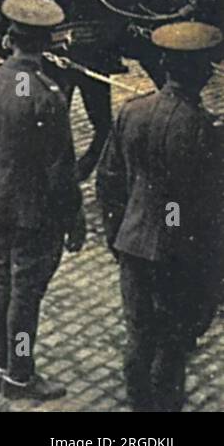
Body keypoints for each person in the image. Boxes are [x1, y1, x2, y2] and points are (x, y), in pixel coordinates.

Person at [96, 21, 224, 412]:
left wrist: (117, 233)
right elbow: (210, 210)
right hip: (178, 254)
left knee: (139, 334)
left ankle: (139, 405)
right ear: (203, 72)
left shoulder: (132, 112)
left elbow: (109, 181)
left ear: (165, 64)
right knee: (172, 340)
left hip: (134, 243)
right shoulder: (206, 132)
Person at [0, 0, 85, 401]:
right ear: (47, 43)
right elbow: (60, 169)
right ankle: (20, 373)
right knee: (26, 294)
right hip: (34, 212)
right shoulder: (49, 95)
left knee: (1, 282)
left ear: (10, 39)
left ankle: (2, 365)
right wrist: (73, 218)